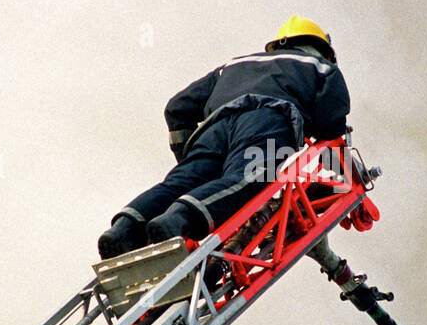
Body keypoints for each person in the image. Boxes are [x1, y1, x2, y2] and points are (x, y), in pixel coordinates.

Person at [98, 16, 351, 259]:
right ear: (323, 50)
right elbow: (331, 125)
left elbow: (177, 107)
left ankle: (124, 229)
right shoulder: (323, 68)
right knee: (250, 179)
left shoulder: (234, 65)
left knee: (180, 182)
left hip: (213, 128)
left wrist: (187, 157)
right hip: (269, 121)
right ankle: (179, 218)